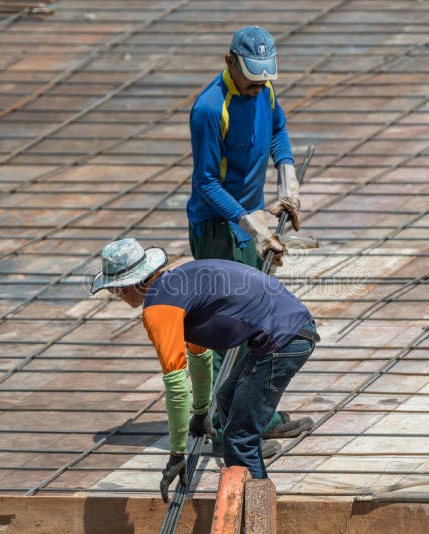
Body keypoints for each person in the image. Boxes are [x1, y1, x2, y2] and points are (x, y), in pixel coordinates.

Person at [91, 238, 319, 502]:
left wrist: (177, 454)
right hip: (291, 329)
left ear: (128, 286)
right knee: (226, 399)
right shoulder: (182, 283)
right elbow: (200, 357)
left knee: (239, 440)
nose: (114, 295)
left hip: (285, 341)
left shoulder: (160, 308)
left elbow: (176, 385)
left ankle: (257, 516)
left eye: (114, 290)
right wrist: (201, 413)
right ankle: (249, 470)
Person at [186, 25, 312, 454]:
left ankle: (255, 417)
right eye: (251, 78)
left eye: (265, 78)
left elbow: (277, 129)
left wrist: (287, 174)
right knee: (227, 328)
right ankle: (229, 432)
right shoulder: (209, 109)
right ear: (229, 63)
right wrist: (251, 225)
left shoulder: (265, 92)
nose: (259, 86)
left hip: (249, 217)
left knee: (257, 320)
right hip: (219, 228)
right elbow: (205, 183)